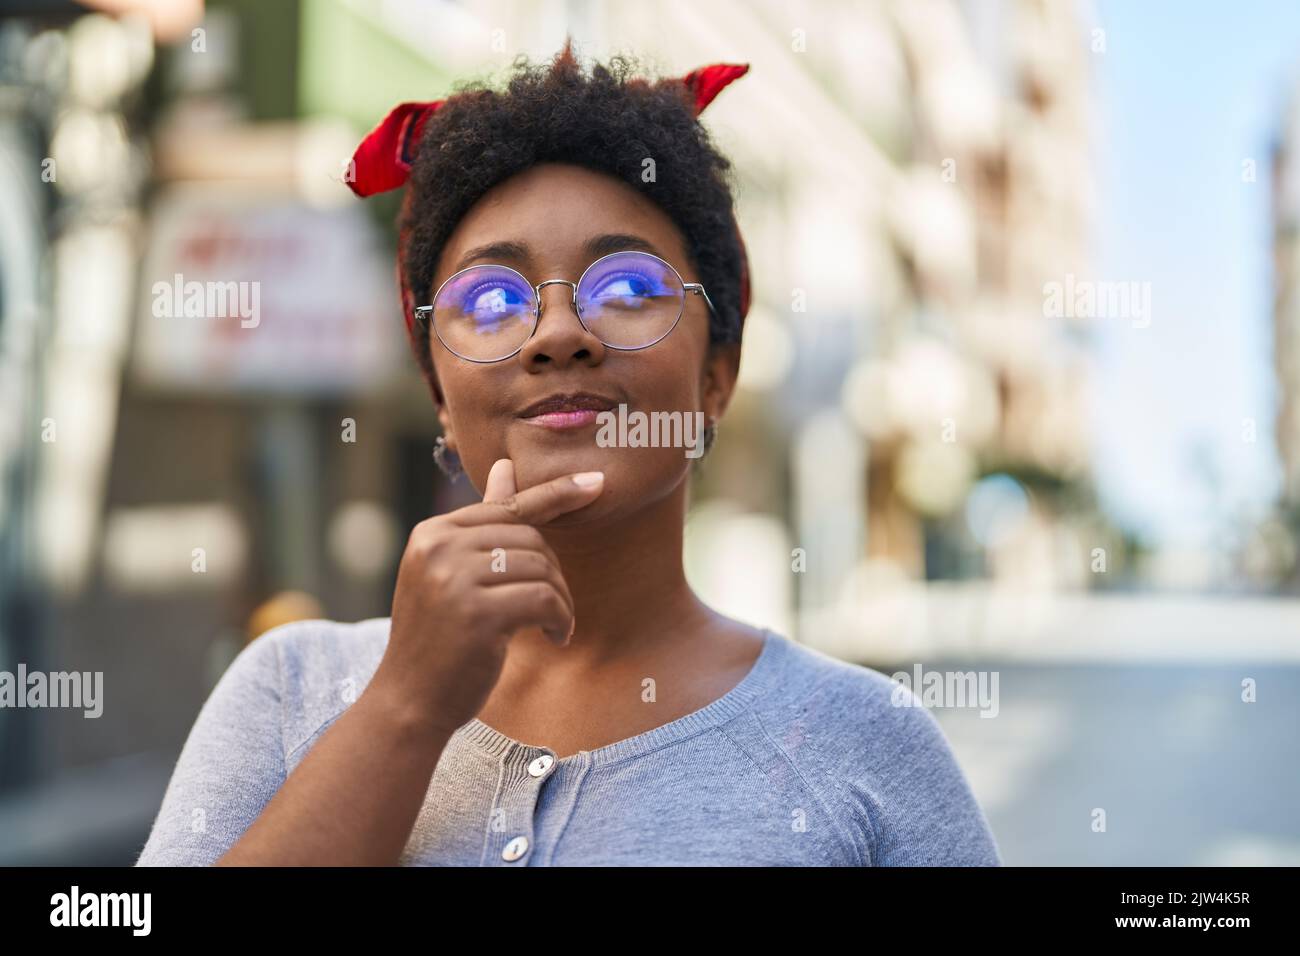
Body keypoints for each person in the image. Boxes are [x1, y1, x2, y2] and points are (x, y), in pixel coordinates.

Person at [135, 43, 1001, 867]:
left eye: (628, 287)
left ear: (716, 379)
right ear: (439, 394)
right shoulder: (291, 690)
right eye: (490, 297)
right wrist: (404, 708)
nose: (557, 334)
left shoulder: (866, 740)